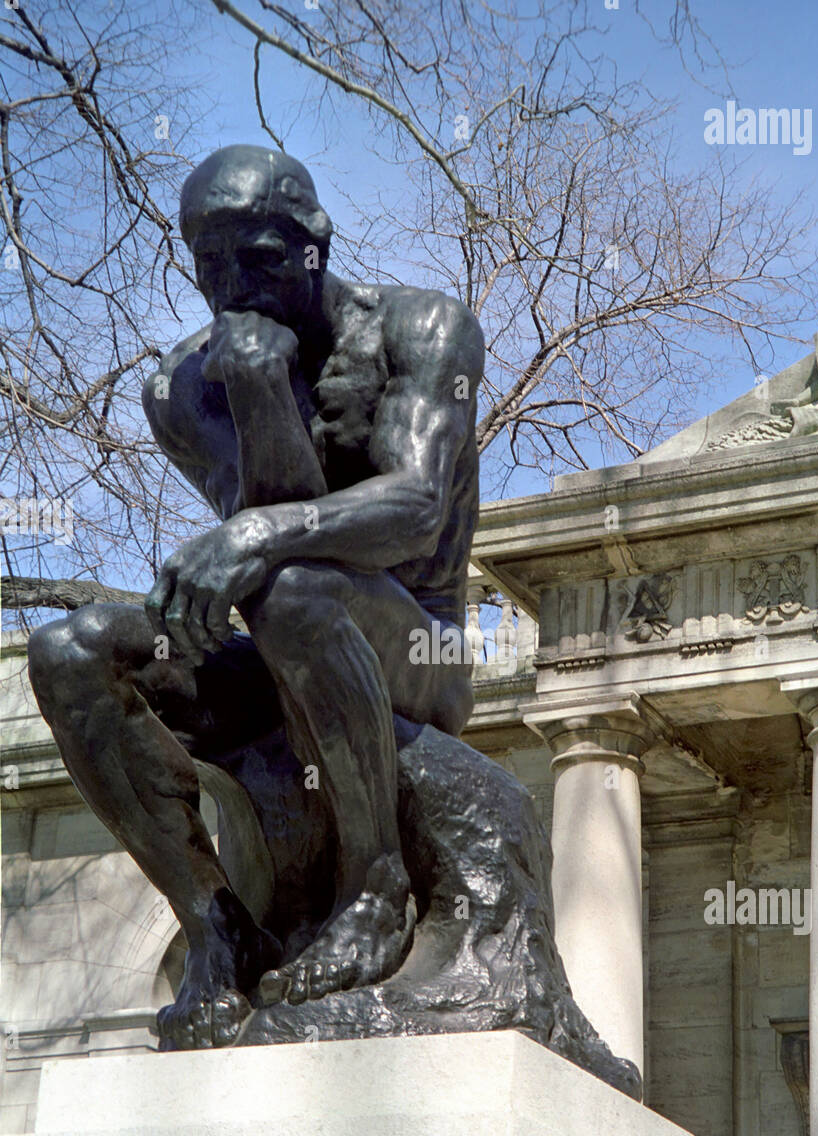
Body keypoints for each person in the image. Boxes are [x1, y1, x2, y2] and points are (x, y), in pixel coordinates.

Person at [27, 145, 484, 1048]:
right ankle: (215, 926)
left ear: (315, 241)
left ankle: (376, 884)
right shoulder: (183, 386)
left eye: (260, 259)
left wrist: (253, 537)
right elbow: (266, 516)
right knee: (70, 651)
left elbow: (415, 511)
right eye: (210, 264)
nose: (234, 286)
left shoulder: (423, 330)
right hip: (284, 645)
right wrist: (256, 384)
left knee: (289, 579)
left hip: (417, 654)